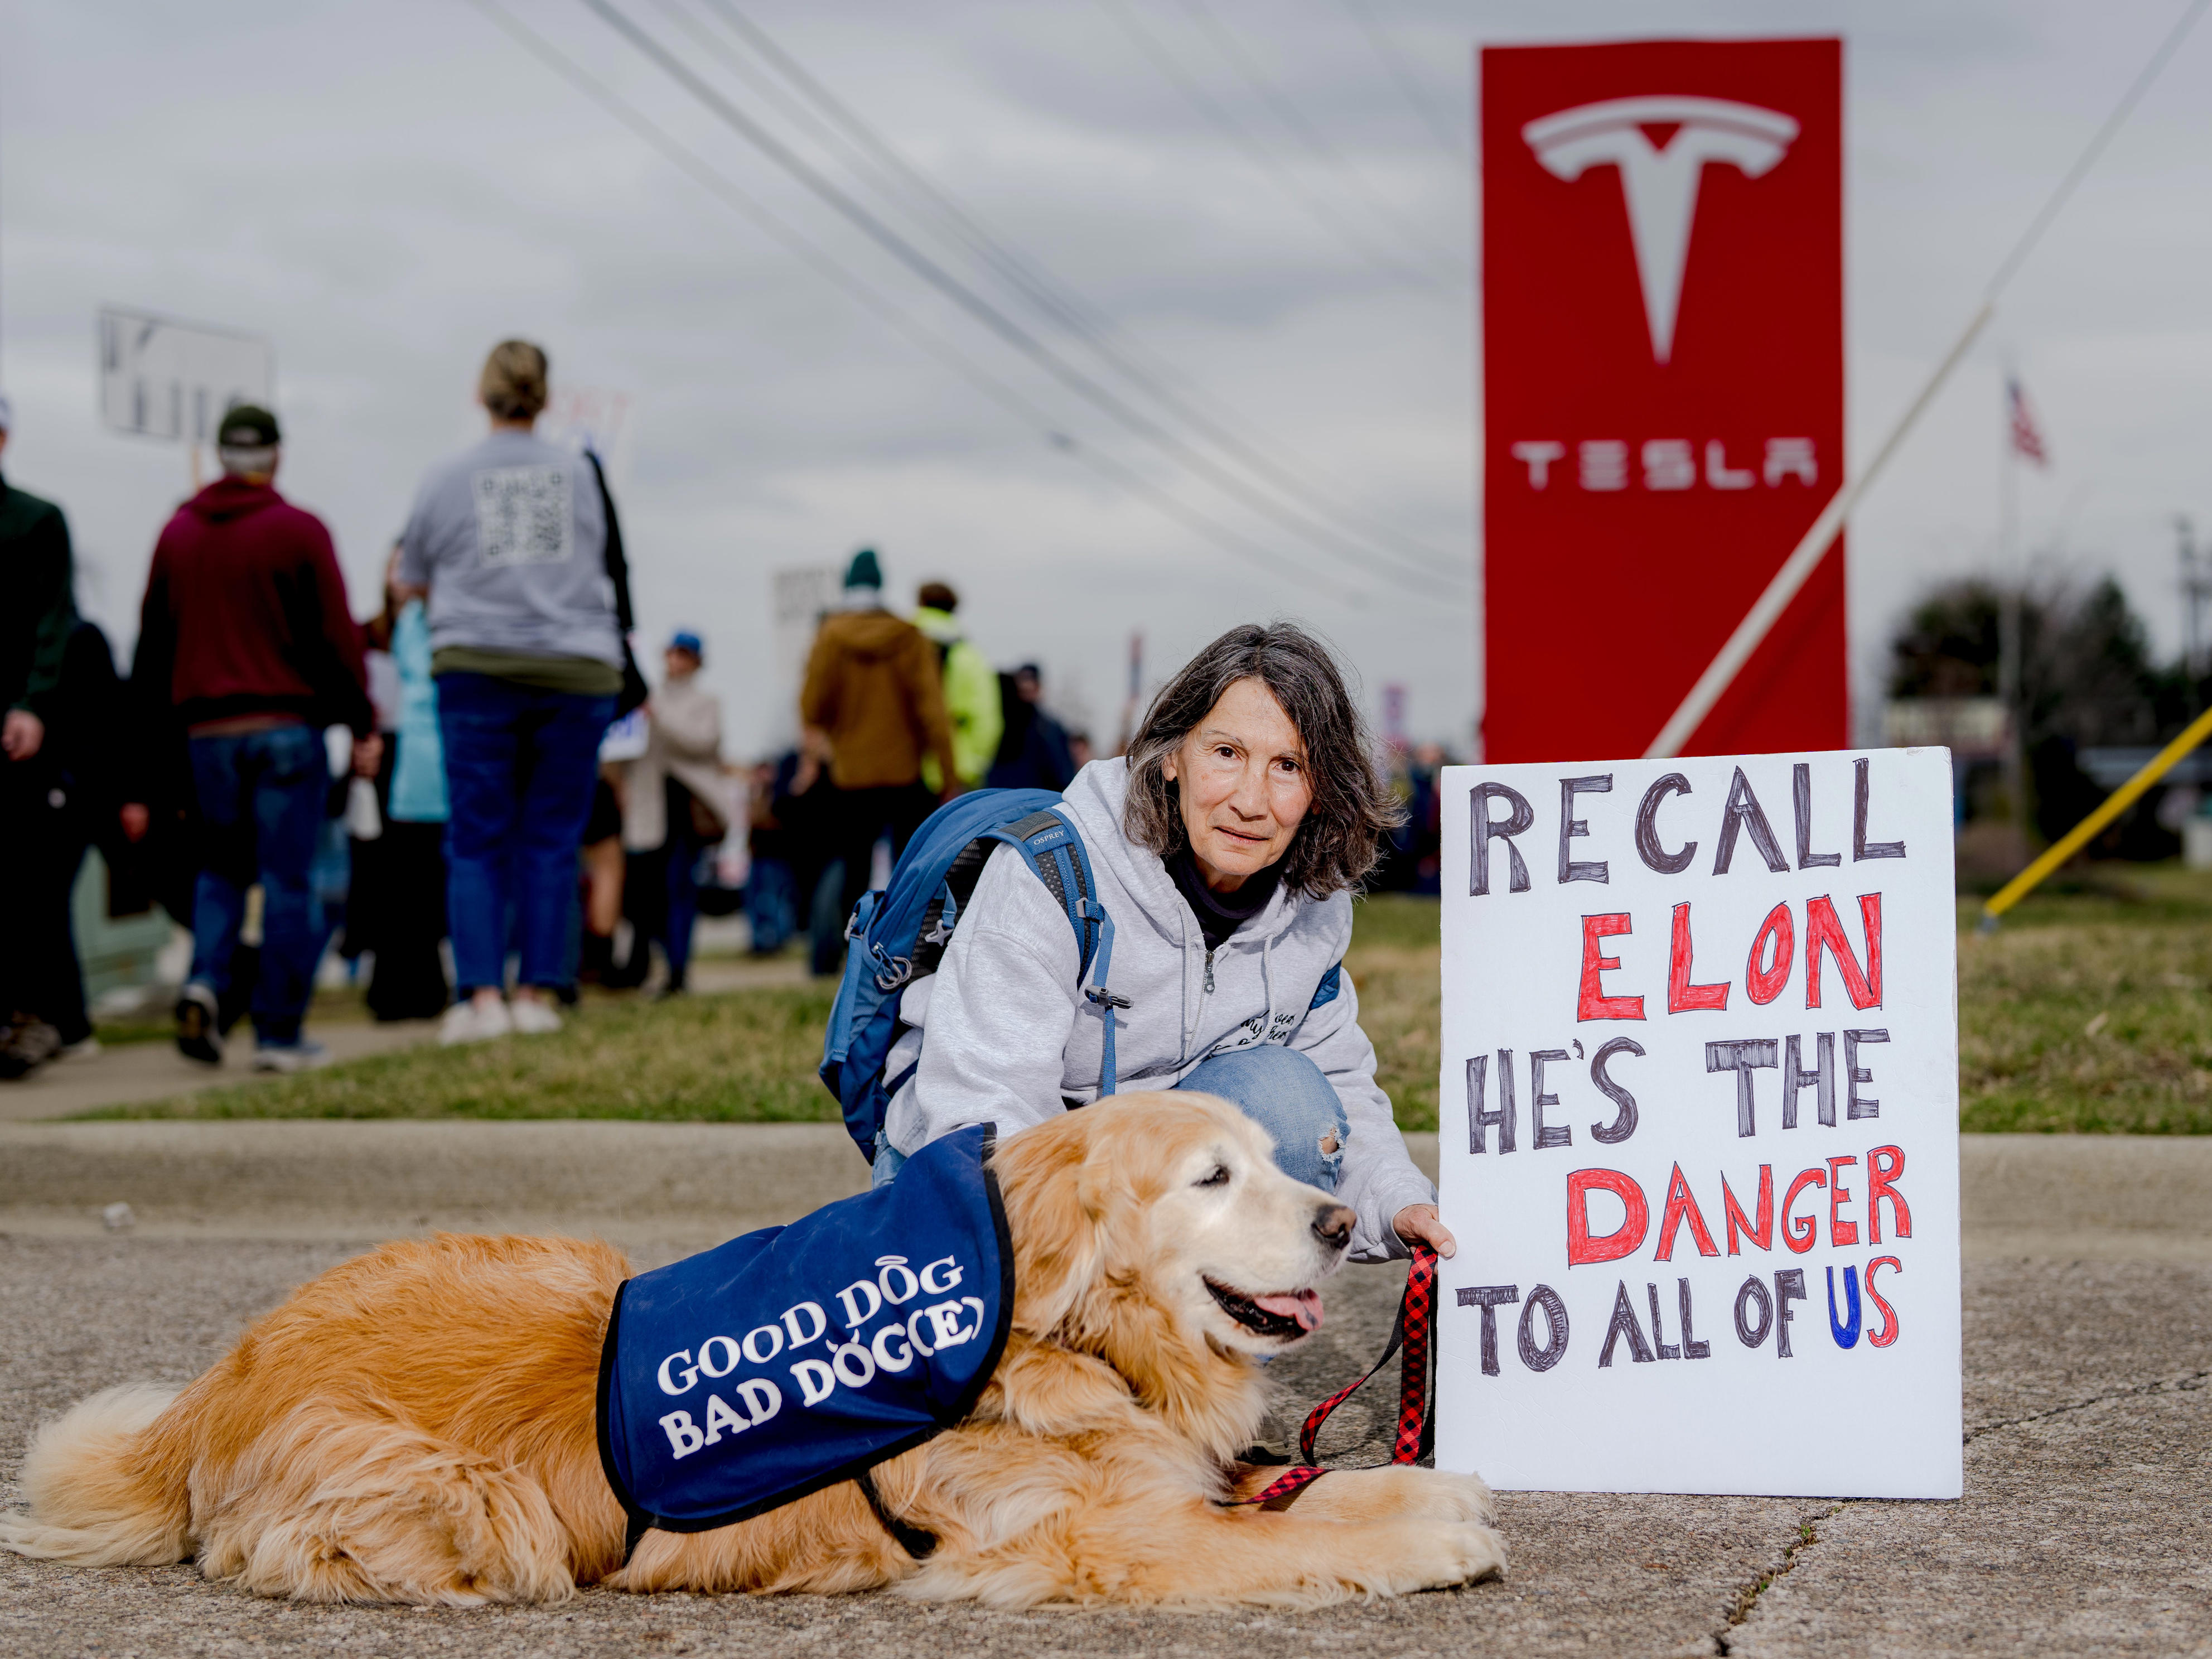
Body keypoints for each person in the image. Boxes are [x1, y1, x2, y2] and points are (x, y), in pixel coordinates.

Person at [874, 621, 1451, 1266]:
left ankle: (1205, 1312)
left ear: (1321, 793)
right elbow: (984, 1108)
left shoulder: (1313, 908)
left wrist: (1397, 1204)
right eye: (1226, 752)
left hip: (1144, 1179)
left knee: (1290, 1105)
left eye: (1288, 766)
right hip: (989, 1175)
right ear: (1173, 755)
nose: (1251, 801)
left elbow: (1339, 1087)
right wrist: (1083, 1274)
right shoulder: (1055, 873)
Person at [124, 404, 378, 1072]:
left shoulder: (177, 535)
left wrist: (149, 758)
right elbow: (337, 639)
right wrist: (360, 719)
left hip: (205, 735)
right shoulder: (299, 531)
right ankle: (278, 1032)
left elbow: (152, 650)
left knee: (220, 871)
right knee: (287, 878)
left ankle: (206, 983)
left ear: (220, 455)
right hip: (285, 727)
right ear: (276, 456)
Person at [394, 340, 621, 1045]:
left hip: (477, 666)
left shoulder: (445, 476)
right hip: (575, 666)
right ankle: (538, 993)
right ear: (544, 396)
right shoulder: (581, 473)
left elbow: (410, 577)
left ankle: (482, 996)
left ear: (480, 393)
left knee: (476, 836)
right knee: (552, 837)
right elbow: (604, 562)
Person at [798, 549, 959, 975]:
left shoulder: (830, 637)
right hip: (904, 773)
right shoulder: (909, 636)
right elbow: (933, 711)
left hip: (850, 775)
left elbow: (813, 706)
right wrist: (949, 773)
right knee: (910, 870)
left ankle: (849, 954)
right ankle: (909, 953)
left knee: (851, 869)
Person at [0, 392, 83, 1077]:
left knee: (23, 878)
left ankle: (30, 1015)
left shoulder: (35, 521)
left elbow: (55, 621)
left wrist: (33, 702)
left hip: (14, 730)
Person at [351, 550, 452, 1020]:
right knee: (386, 878)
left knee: (426, 877)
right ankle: (389, 987)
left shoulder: (438, 626)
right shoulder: (368, 634)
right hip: (383, 759)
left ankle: (428, 984)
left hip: (427, 762)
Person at [619, 630, 726, 996]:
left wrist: (657, 716)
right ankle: (649, 964)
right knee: (647, 895)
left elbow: (703, 742)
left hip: (684, 810)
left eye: (684, 654)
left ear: (696, 661)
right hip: (649, 811)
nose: (676, 661)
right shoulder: (646, 700)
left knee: (680, 889)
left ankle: (678, 969)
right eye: (672, 653)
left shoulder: (705, 702)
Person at [912, 581, 1002, 793]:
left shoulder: (899, 646)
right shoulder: (970, 655)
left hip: (903, 769)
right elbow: (987, 717)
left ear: (921, 603)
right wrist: (974, 764)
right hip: (956, 772)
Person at [985, 662, 1076, 792]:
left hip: (1038, 798)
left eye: (1030, 685)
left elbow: (1062, 772)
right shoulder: (1002, 725)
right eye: (1021, 686)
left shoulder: (1050, 729)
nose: (1026, 688)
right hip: (1003, 795)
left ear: (1038, 688)